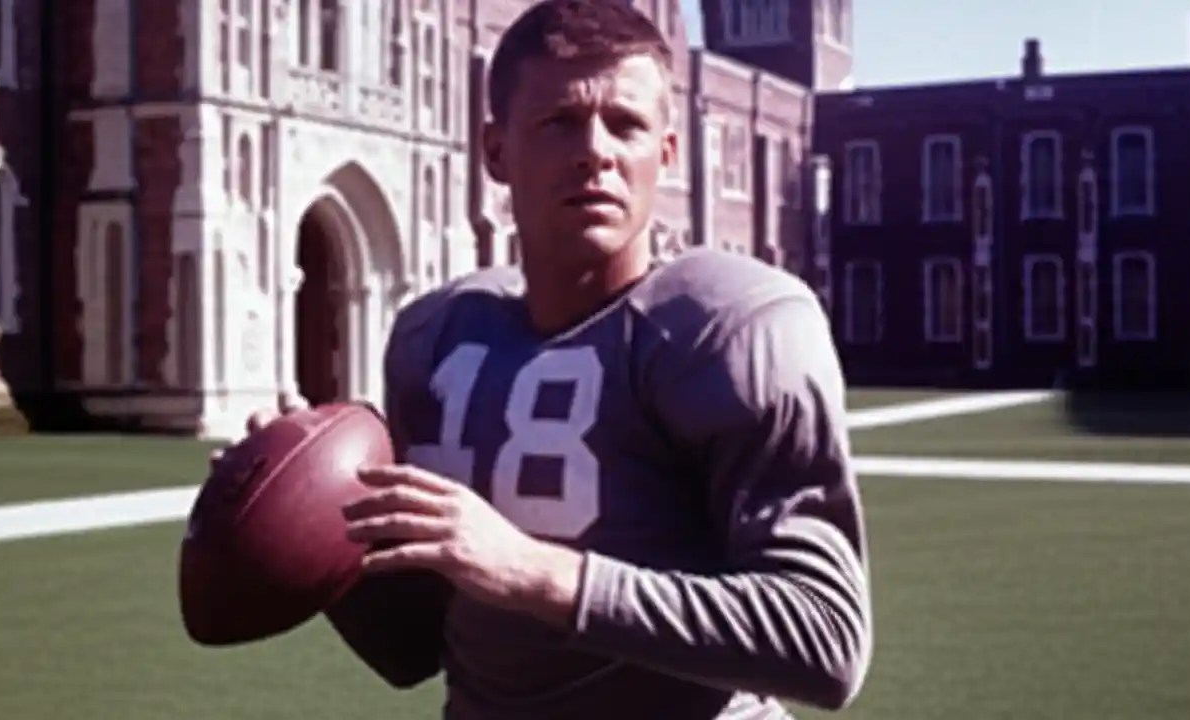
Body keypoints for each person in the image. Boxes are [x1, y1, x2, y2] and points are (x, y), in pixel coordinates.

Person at [242, 1, 872, 717]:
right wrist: (308, 519)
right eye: (559, 121)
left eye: (627, 124)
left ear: (667, 153)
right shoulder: (436, 338)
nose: (596, 150)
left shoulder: (735, 325)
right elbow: (412, 650)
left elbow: (826, 640)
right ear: (496, 151)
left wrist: (534, 572)